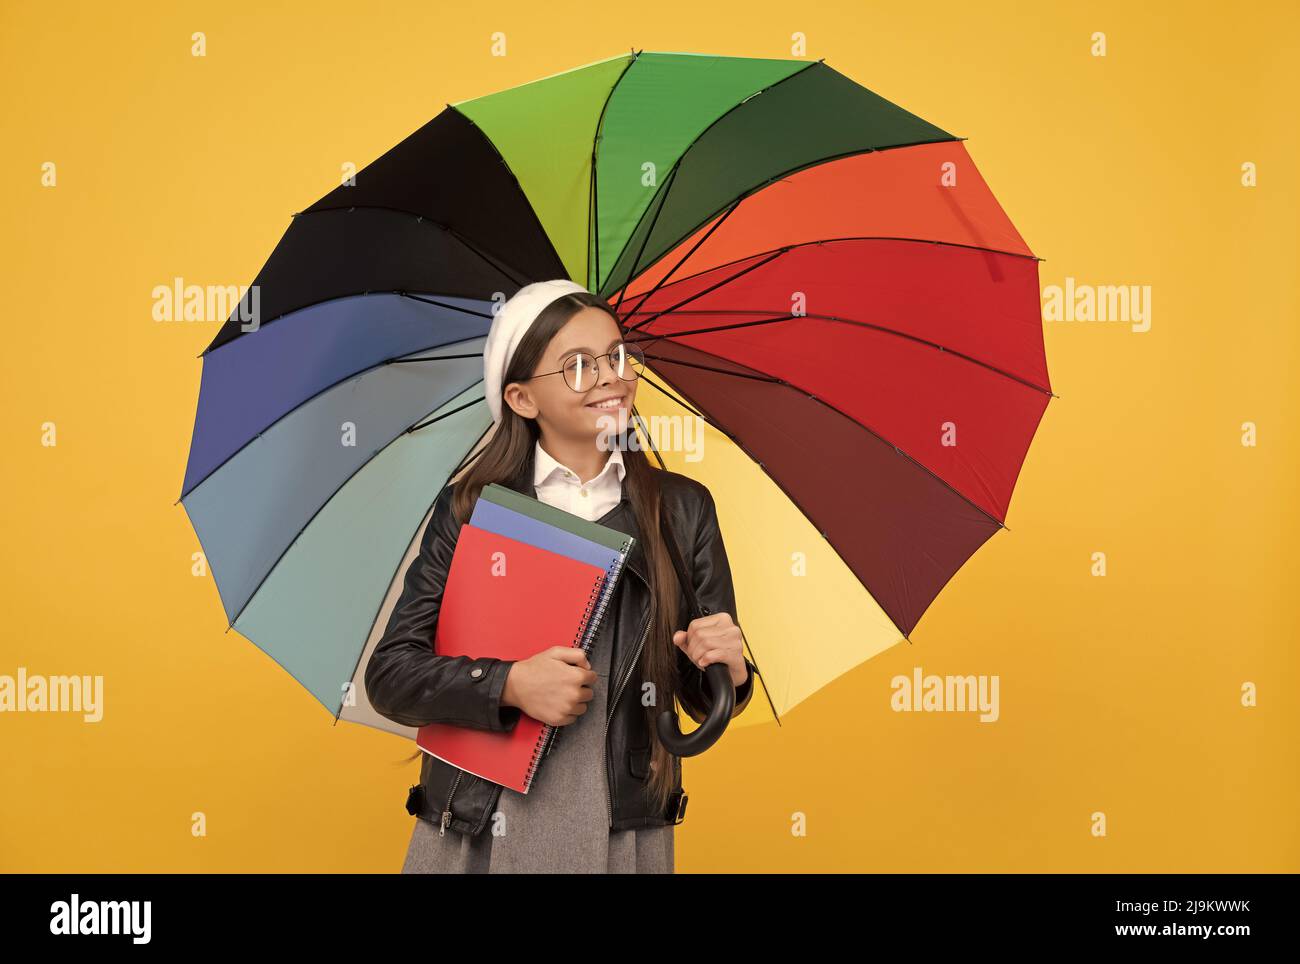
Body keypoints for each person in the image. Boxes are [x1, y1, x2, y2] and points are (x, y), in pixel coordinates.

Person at [365, 279, 755, 873]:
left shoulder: (681, 509)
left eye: (618, 355)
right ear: (522, 400)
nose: (610, 377)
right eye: (576, 366)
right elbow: (392, 676)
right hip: (479, 821)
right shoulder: (472, 511)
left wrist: (726, 670)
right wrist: (509, 685)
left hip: (617, 821)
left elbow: (700, 703)